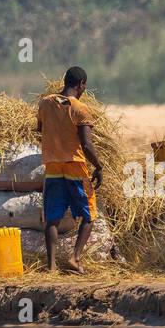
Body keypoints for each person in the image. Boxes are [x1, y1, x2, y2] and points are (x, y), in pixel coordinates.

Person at [37, 66, 104, 273]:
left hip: (53, 166)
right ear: (81, 84)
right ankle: (74, 259)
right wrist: (99, 167)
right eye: (84, 85)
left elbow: (40, 130)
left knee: (52, 218)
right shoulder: (79, 108)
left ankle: (52, 266)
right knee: (89, 215)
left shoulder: (45, 103)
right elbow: (86, 144)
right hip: (75, 166)